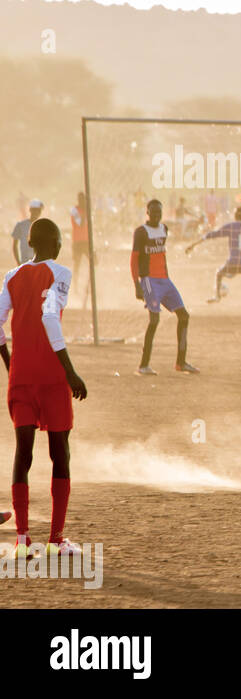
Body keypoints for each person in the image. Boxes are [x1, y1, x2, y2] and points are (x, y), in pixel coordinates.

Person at [0, 218, 88, 559]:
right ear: (56, 242)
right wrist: (71, 372)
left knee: (23, 452)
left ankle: (22, 539)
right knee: (59, 453)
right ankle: (56, 539)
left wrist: (12, 365)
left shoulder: (11, 276)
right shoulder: (61, 273)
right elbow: (50, 317)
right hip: (52, 378)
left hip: (21, 377)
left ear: (31, 243)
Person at [132, 200, 198, 375]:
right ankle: (143, 365)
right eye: (152, 213)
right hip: (148, 280)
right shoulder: (140, 232)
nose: (155, 216)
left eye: (158, 213)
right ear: (147, 213)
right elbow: (134, 260)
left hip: (165, 280)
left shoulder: (164, 229)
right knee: (154, 320)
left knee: (184, 316)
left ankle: (181, 362)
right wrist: (137, 285)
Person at [185, 206, 241, 303]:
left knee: (219, 274)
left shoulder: (231, 226)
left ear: (235, 215)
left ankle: (217, 296)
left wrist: (193, 245)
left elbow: (212, 235)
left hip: (234, 261)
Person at [69, 193, 93, 308]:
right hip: (77, 242)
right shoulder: (74, 210)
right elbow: (81, 223)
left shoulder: (86, 210)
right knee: (77, 265)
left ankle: (89, 287)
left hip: (87, 241)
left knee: (93, 262)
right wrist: (85, 212)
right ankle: (75, 288)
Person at [11, 199, 43, 265]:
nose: (37, 212)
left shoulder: (43, 226)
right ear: (30, 210)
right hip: (24, 263)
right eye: (35, 210)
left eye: (39, 210)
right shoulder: (20, 225)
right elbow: (14, 245)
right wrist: (18, 262)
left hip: (39, 264)